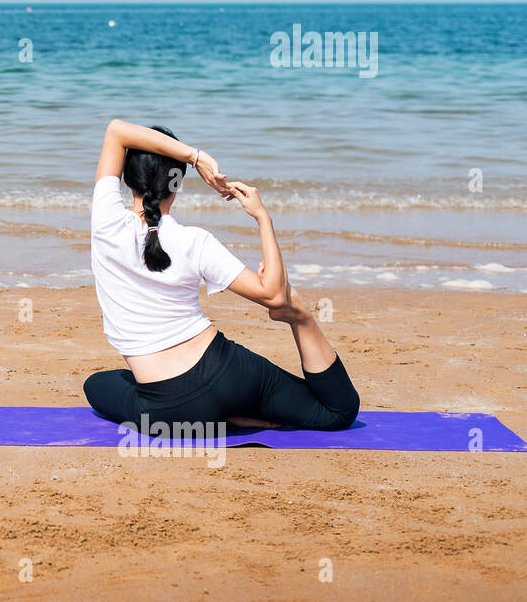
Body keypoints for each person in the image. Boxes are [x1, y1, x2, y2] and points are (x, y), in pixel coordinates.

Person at [82, 120, 359, 432]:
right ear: (176, 184)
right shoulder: (195, 241)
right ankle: (303, 322)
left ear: (127, 179)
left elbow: (116, 131)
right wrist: (262, 217)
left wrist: (195, 156)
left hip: (167, 412)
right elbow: (275, 297)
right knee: (336, 413)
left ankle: (218, 417)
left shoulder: (105, 224)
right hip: (230, 376)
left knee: (96, 385)